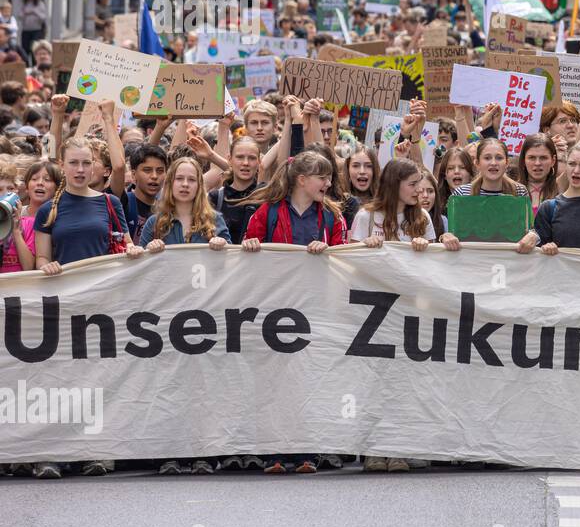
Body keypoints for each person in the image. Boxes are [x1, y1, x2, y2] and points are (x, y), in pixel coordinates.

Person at [31, 139, 137, 479]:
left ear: (95, 167)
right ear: (62, 166)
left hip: (104, 305)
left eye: (85, 163)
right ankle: (52, 453)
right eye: (73, 163)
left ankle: (96, 449)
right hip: (64, 305)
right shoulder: (49, 209)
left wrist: (133, 251)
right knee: (60, 379)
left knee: (98, 377)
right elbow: (42, 257)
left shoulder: (110, 203)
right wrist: (47, 267)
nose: (80, 169)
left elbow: (125, 243)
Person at [239, 151, 348, 474]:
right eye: (322, 177)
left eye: (329, 177)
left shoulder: (331, 216)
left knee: (308, 379)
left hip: (314, 309)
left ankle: (306, 451)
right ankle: (273, 452)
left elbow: (345, 258)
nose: (328, 183)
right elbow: (247, 248)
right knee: (274, 380)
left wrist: (328, 252)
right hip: (275, 309)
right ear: (302, 180)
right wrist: (250, 246)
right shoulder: (267, 212)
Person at [352, 158, 457, 473]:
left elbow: (433, 268)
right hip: (374, 310)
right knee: (374, 379)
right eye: (412, 184)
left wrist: (431, 246)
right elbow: (348, 264)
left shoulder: (421, 217)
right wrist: (364, 249)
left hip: (410, 309)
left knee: (405, 381)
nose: (418, 191)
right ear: (395, 183)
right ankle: (371, 447)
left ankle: (398, 445)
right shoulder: (367, 216)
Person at [134, 156, 231, 476]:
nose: (186, 185)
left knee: (204, 386)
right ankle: (169, 451)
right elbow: (136, 268)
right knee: (169, 385)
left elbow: (236, 270)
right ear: (170, 184)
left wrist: (222, 248)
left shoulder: (214, 220)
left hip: (205, 317)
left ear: (199, 185)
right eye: (180, 179)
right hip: (167, 316)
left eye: (192, 180)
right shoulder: (155, 223)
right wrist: (144, 253)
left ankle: (202, 451)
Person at [518, 133, 560, 214]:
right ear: (523, 160)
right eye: (532, 158)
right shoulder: (512, 189)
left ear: (553, 161)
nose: (537, 163)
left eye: (543, 158)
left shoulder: (560, 186)